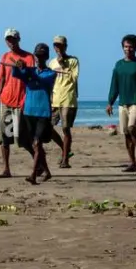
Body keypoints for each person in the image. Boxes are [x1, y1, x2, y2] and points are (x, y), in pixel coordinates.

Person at [0, 28, 35, 178]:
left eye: (13, 39)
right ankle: (6, 169)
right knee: (4, 137)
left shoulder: (29, 57)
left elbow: (31, 78)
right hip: (5, 100)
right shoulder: (5, 57)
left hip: (21, 101)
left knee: (22, 139)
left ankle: (38, 163)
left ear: (18, 39)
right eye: (8, 39)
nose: (11, 42)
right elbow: (0, 80)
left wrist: (24, 68)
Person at [106, 33, 136, 172]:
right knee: (126, 133)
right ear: (123, 48)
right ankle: (132, 163)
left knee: (132, 128)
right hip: (123, 103)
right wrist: (110, 102)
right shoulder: (119, 65)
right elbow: (114, 85)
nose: (128, 49)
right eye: (126, 47)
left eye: (131, 47)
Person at [11, 43, 58, 184]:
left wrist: (29, 71)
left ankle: (33, 174)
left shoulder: (51, 73)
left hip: (43, 113)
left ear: (46, 57)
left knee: (37, 143)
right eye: (37, 56)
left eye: (42, 56)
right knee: (33, 144)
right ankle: (48, 172)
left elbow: (41, 80)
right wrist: (18, 65)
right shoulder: (29, 71)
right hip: (28, 112)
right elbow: (16, 74)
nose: (39, 58)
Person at [49, 35, 79, 169]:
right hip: (54, 99)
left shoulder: (73, 61)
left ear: (65, 46)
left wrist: (63, 64)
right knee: (47, 128)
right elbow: (49, 81)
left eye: (60, 45)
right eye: (56, 45)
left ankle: (65, 159)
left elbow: (74, 77)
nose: (58, 48)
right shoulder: (51, 63)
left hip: (68, 99)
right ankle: (65, 149)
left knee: (66, 129)